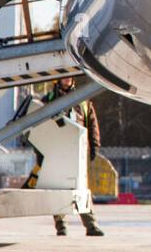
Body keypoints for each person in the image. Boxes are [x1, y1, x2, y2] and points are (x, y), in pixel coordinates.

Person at [43, 77, 106, 237]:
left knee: (82, 189)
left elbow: (92, 126)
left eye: (69, 77)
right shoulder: (49, 100)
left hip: (78, 152)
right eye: (64, 77)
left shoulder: (83, 102)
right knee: (57, 188)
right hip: (56, 151)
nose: (67, 80)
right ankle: (61, 226)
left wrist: (94, 148)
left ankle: (91, 225)